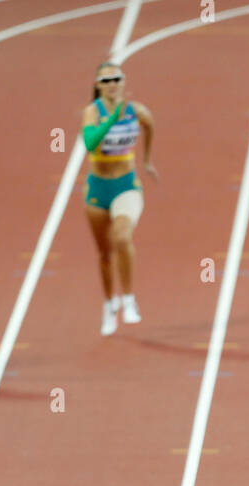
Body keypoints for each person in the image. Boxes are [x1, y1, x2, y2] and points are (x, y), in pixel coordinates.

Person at [81, 62, 157, 336]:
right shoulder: (92, 112)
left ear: (123, 82)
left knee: (122, 237)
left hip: (126, 185)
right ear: (99, 86)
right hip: (98, 190)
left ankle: (128, 298)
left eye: (117, 79)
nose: (113, 84)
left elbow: (150, 124)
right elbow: (90, 143)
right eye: (107, 80)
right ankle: (109, 303)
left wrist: (146, 160)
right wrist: (111, 119)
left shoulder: (135, 111)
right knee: (104, 252)